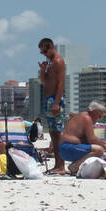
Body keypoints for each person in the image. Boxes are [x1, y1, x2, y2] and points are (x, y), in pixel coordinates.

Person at [58, 102, 106, 175]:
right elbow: (92, 139)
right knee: (99, 150)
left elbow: (88, 140)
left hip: (65, 149)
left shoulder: (81, 116)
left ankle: (76, 165)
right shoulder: (87, 118)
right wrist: (105, 145)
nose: (99, 119)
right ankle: (74, 166)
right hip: (67, 148)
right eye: (99, 115)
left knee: (97, 148)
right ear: (94, 112)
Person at [38, 37, 67, 174]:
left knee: (58, 134)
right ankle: (57, 165)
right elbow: (44, 83)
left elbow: (61, 83)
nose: (43, 55)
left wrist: (56, 103)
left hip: (56, 100)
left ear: (50, 47)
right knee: (52, 134)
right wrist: (43, 71)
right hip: (49, 99)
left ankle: (61, 165)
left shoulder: (58, 62)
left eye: (44, 51)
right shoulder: (50, 64)